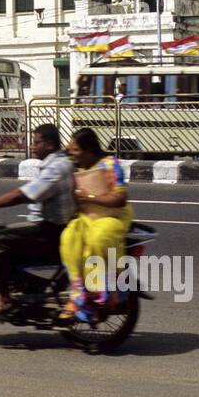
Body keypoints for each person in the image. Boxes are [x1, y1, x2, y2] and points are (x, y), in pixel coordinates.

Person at [0, 124, 75, 321]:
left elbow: (23, 195)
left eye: (37, 142)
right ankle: (19, 285)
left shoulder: (56, 168)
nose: (33, 147)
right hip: (54, 227)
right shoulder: (58, 162)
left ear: (50, 144)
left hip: (52, 232)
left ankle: (5, 299)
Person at [61, 127, 133, 321]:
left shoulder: (109, 165)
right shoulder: (79, 169)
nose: (71, 153)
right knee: (69, 238)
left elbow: (120, 199)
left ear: (89, 150)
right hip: (88, 217)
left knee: (99, 237)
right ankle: (79, 292)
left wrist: (90, 197)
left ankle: (109, 287)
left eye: (75, 150)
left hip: (113, 217)